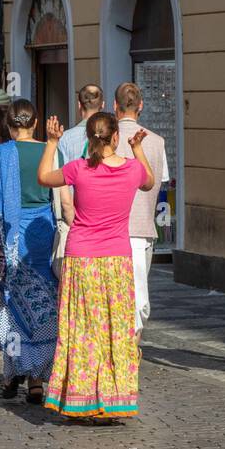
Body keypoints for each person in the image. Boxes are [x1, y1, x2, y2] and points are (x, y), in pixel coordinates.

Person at [39, 113, 155, 420]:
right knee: (115, 329)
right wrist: (137, 149)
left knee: (83, 329)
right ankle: (114, 398)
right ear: (115, 137)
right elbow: (149, 181)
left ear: (89, 138)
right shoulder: (131, 169)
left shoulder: (79, 169)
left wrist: (52, 142)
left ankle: (82, 397)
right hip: (117, 259)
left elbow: (44, 177)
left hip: (81, 258)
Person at [0, 99, 63, 401]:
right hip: (42, 232)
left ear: (8, 124)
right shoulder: (51, 151)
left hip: (12, 235)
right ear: (35, 123)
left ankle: (12, 372)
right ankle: (36, 379)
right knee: (44, 304)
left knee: (11, 306)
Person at [112, 82, 169, 341]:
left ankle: (120, 347)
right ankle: (132, 346)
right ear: (141, 106)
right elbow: (160, 181)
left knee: (115, 295)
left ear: (115, 106)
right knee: (138, 296)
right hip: (142, 228)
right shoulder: (156, 141)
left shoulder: (108, 139)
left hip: (110, 228)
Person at [57, 84, 106, 165]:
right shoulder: (110, 134)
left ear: (79, 105)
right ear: (103, 105)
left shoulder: (64, 138)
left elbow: (61, 169)